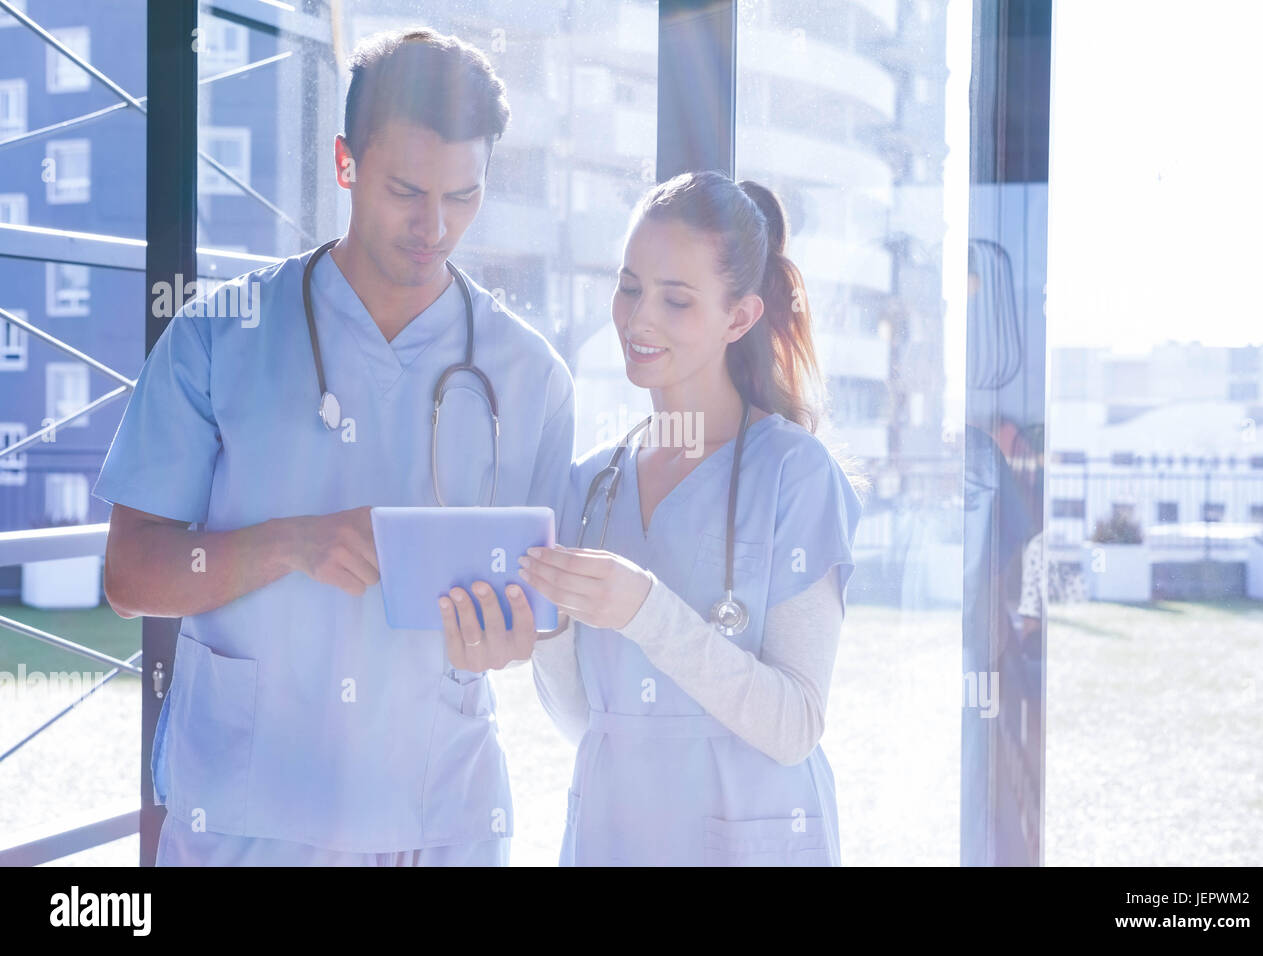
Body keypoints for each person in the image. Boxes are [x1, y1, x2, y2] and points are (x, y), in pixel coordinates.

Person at [94, 29, 574, 866]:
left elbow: (547, 612)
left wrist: (511, 639)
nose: (434, 226)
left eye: (463, 196)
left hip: (436, 820)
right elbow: (131, 577)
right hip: (244, 820)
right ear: (346, 163)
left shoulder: (529, 375)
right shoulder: (220, 334)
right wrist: (292, 542)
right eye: (405, 190)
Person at [446, 170, 863, 865]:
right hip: (616, 834)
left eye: (676, 300)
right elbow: (591, 723)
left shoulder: (796, 475)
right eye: (630, 287)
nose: (640, 320)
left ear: (739, 318)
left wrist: (643, 608)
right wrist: (544, 627)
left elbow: (794, 725)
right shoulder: (590, 485)